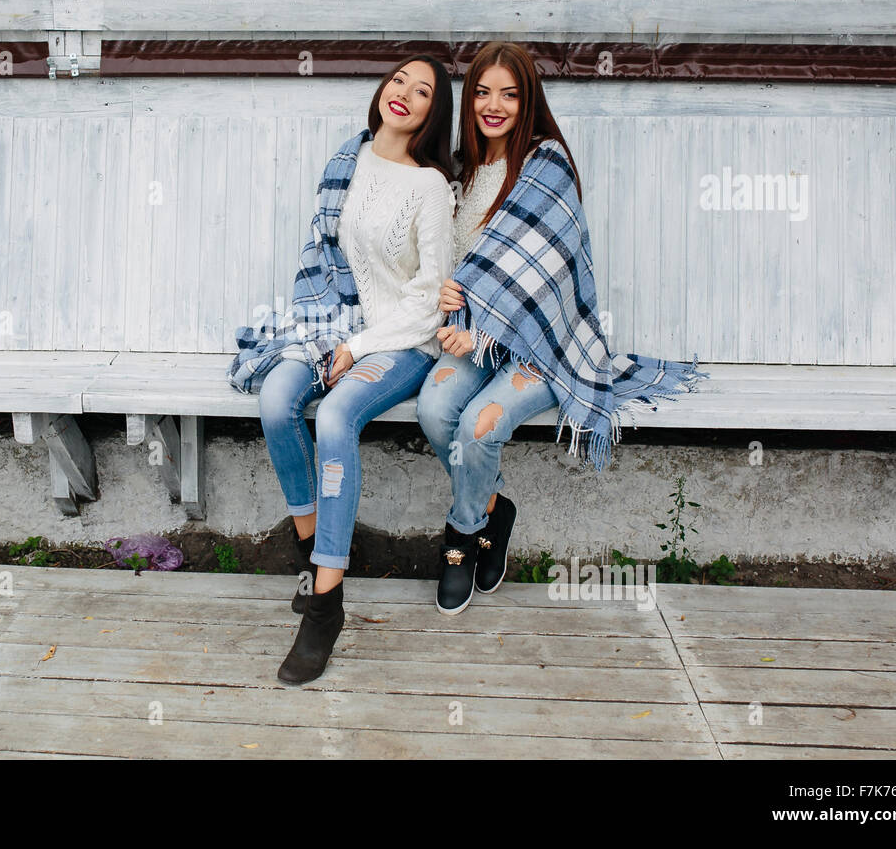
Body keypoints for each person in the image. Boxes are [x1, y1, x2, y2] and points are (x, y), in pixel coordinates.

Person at [416, 41, 708, 615]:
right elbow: (463, 264)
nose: (493, 105)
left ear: (529, 102)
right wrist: (449, 293)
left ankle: (459, 538)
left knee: (478, 424)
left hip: (546, 344)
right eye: (482, 92)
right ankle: (492, 512)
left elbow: (544, 278)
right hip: (471, 336)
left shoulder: (544, 163)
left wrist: (483, 330)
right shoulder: (460, 170)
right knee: (433, 410)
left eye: (509, 94)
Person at [228, 54, 456, 684]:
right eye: (399, 80)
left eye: (424, 90)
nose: (405, 93)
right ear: (384, 90)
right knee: (276, 401)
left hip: (404, 343)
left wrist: (362, 346)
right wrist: (338, 336)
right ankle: (312, 547)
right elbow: (328, 262)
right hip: (336, 325)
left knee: (332, 416)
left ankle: (325, 604)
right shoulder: (347, 161)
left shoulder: (430, 187)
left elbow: (427, 292)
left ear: (435, 112)